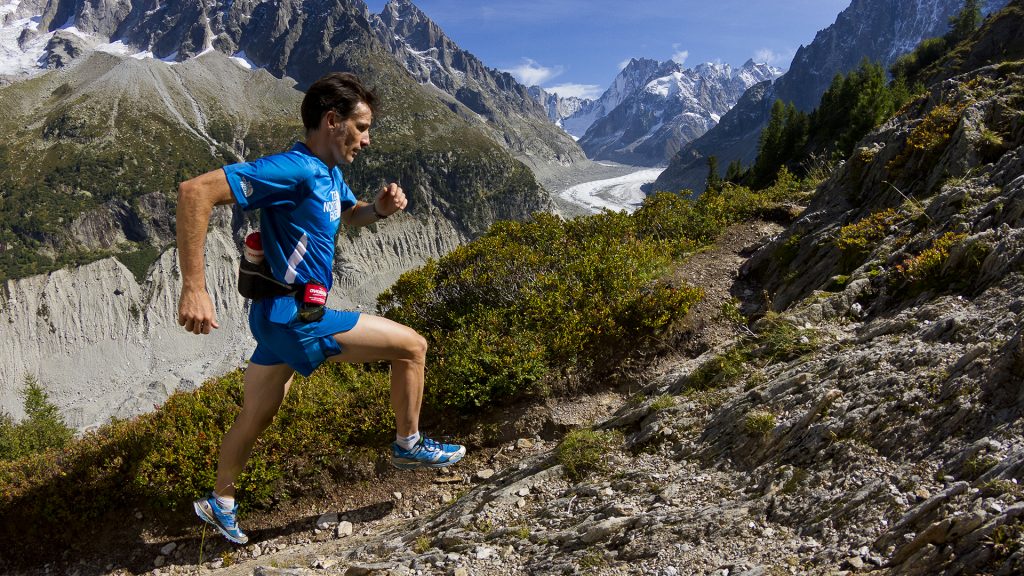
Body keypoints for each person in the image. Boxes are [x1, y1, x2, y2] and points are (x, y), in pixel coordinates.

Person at [175, 72, 465, 545]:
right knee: (412, 347)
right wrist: (194, 287)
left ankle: (220, 502)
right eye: (362, 127)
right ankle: (408, 445)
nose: (367, 140)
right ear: (333, 121)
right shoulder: (294, 168)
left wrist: (381, 210)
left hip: (271, 319)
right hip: (296, 317)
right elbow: (195, 191)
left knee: (256, 415)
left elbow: (349, 214)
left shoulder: (329, 170)